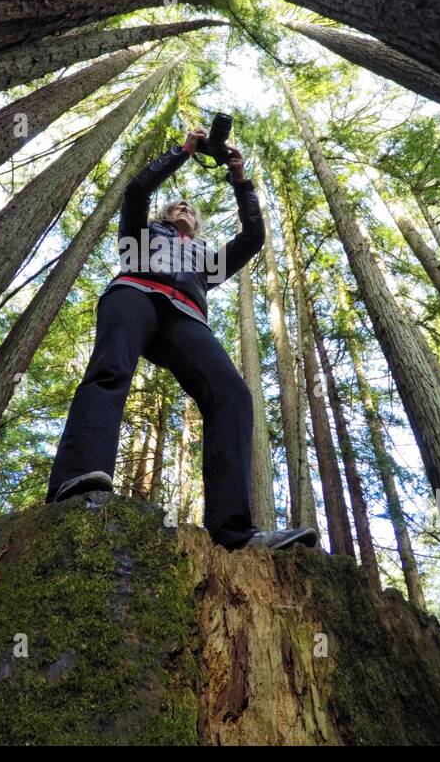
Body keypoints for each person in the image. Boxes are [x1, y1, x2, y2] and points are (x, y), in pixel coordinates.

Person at [46, 127, 318, 551]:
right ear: (166, 215)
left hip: (186, 316)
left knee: (232, 394)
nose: (185, 207)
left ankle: (233, 531)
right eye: (178, 204)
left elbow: (252, 238)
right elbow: (137, 190)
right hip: (134, 293)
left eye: (191, 208)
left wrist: (240, 178)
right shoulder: (141, 237)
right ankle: (75, 482)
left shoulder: (206, 262)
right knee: (110, 369)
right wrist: (183, 151)